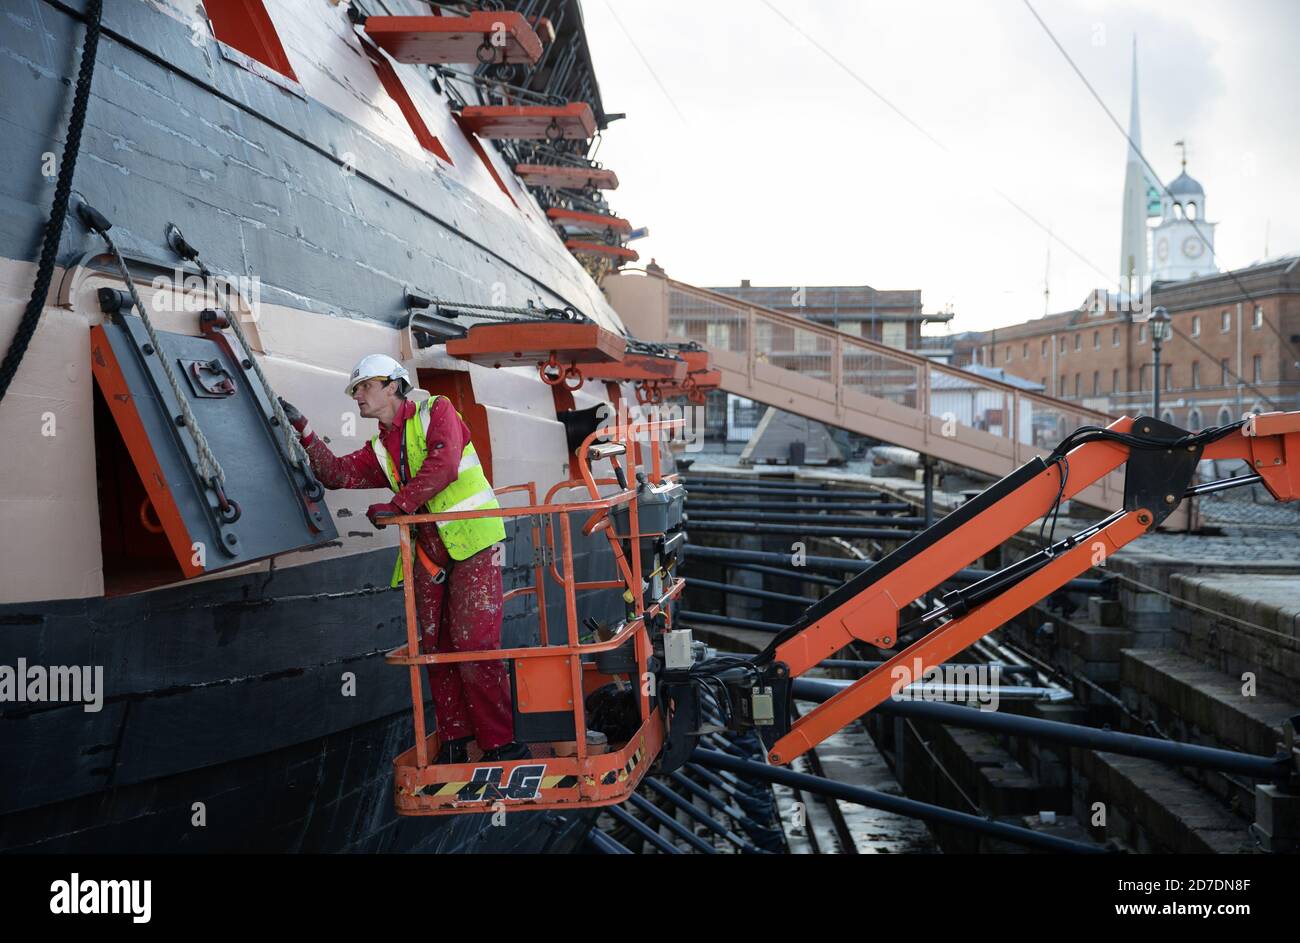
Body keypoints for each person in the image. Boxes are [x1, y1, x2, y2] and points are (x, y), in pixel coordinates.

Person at [279, 354, 527, 763]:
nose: (357, 396)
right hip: (430, 553)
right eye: (355, 390)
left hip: (473, 541)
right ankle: (455, 742)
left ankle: (500, 744)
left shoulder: (437, 411)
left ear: (392, 385)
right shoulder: (381, 447)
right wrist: (303, 430)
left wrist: (397, 506)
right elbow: (337, 474)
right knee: (434, 648)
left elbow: (444, 465)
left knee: (474, 644)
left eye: (363, 387)